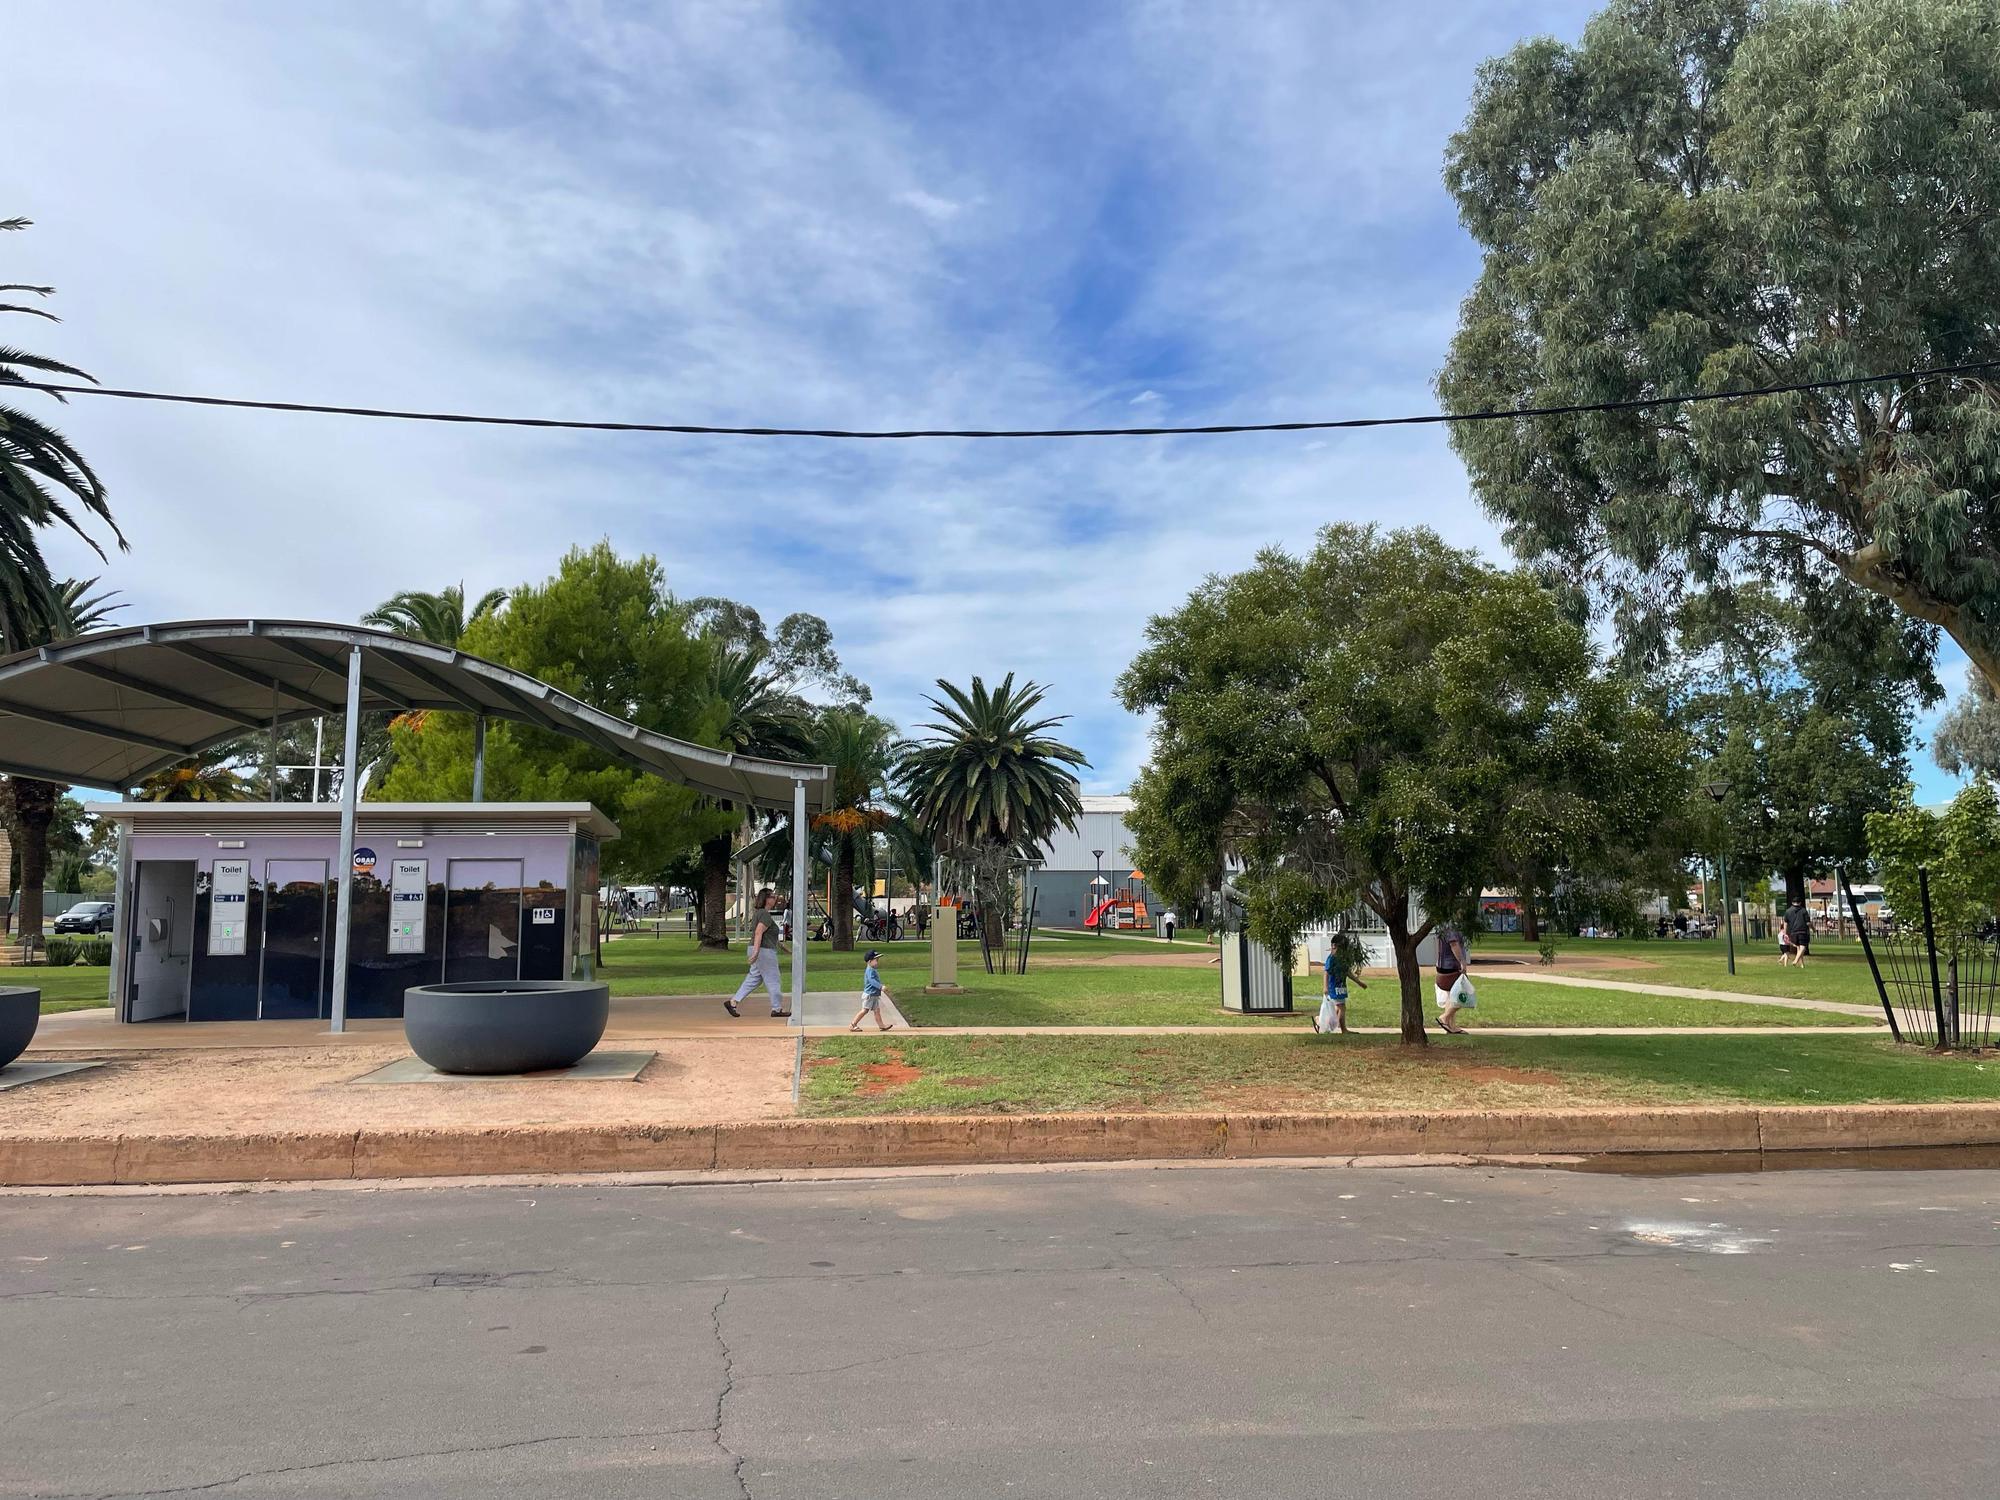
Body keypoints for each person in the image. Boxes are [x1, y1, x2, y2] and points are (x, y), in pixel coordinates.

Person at [725, 888, 789, 1018]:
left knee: (754, 978)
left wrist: (783, 947)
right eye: (772, 896)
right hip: (763, 951)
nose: (775, 898)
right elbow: (759, 933)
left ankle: (733, 1002)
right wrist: (756, 952)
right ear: (766, 899)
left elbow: (767, 935)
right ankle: (777, 1009)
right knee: (773, 978)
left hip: (760, 949)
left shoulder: (760, 913)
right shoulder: (764, 914)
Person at [1434, 923, 1475, 1035]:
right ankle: (1445, 1017)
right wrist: (1462, 962)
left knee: (1450, 995)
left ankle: (1451, 1026)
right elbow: (1454, 944)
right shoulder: (1451, 925)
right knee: (1462, 994)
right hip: (1451, 966)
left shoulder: (1442, 924)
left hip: (1442, 966)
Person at [1316, 944, 1366, 1034]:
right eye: (1333, 948)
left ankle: (1322, 1021)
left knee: (1339, 1008)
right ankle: (1341, 1029)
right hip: (1333, 986)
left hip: (1341, 986)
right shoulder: (1331, 958)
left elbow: (1347, 972)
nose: (1334, 950)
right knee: (1341, 1007)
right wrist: (1325, 987)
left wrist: (1359, 982)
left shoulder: (1343, 959)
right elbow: (1326, 973)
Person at [850, 949, 896, 1032]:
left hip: (874, 995)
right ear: (869, 961)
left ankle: (881, 1026)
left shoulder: (872, 969)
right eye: (876, 960)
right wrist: (880, 987)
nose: (877, 962)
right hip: (869, 995)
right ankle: (853, 1024)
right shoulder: (870, 970)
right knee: (864, 1010)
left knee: (877, 1010)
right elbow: (872, 981)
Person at [1784, 901, 1811, 968]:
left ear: (1792, 902)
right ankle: (1795, 960)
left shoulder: (1788, 911)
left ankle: (1802, 965)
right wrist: (1813, 929)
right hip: (1802, 931)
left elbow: (1785, 923)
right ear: (1800, 903)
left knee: (1798, 948)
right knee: (1803, 947)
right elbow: (1808, 923)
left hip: (1793, 932)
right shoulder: (1803, 911)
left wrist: (1785, 933)